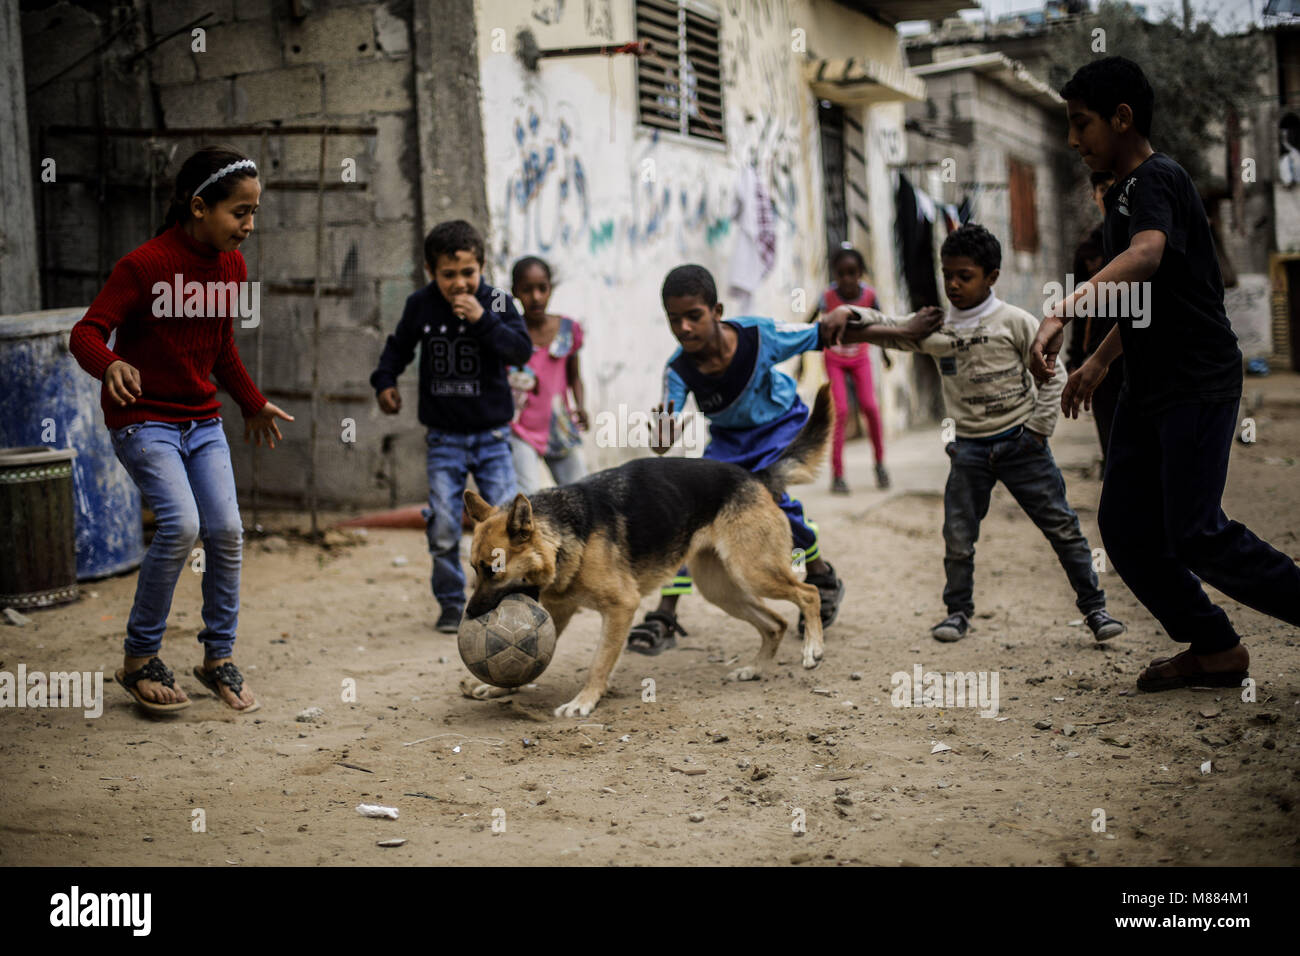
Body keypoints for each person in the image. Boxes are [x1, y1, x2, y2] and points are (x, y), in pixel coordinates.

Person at [1032, 56, 1300, 691]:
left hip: (1197, 380)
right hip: (1148, 389)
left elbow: (1147, 258)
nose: (1073, 140)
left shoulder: (1156, 178)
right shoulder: (1124, 197)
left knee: (1197, 533)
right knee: (1126, 530)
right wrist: (1098, 362)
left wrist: (1065, 308)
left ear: (1122, 118)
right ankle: (1214, 648)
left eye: (1082, 124)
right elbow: (1150, 296)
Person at [69, 145, 293, 714]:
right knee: (181, 525)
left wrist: (252, 402)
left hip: (202, 422)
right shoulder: (143, 266)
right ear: (199, 206)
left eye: (254, 213)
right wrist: (111, 363)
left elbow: (219, 347)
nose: (248, 224)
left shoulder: (232, 268)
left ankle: (217, 657)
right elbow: (87, 333)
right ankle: (140, 658)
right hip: (144, 420)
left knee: (226, 529)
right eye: (239, 212)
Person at [625, 264, 941, 656]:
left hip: (779, 427)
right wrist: (661, 437)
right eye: (675, 320)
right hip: (729, 442)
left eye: (694, 316)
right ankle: (665, 615)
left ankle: (820, 575)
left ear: (717, 311)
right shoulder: (678, 368)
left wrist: (902, 331)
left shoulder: (758, 336)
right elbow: (664, 435)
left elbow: (828, 333)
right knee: (692, 513)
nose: (685, 328)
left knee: (772, 502)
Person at [832, 224, 1126, 644]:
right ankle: (957, 612)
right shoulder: (936, 328)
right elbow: (893, 330)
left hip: (1022, 444)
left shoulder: (1016, 322)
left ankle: (1095, 609)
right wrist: (849, 314)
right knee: (958, 535)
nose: (952, 284)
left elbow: (1053, 373)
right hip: (969, 450)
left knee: (1062, 526)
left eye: (964, 276)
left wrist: (1037, 431)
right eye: (946, 274)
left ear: (991, 277)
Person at [370, 220, 532, 634]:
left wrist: (482, 320)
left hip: (494, 437)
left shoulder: (496, 303)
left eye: (468, 273)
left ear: (481, 266)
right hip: (444, 439)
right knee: (443, 521)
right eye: (448, 275)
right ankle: (449, 601)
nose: (459, 283)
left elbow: (520, 350)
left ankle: (509, 596)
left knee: (507, 523)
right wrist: (385, 381)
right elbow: (398, 347)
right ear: (430, 271)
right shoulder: (421, 305)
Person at [807, 246, 889, 493]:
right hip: (834, 358)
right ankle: (838, 475)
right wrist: (801, 357)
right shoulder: (828, 297)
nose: (847, 279)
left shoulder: (870, 297)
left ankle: (880, 464)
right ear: (835, 274)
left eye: (852, 273)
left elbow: (884, 323)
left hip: (860, 357)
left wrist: (885, 353)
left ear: (861, 273)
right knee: (840, 411)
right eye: (841, 274)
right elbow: (808, 324)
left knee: (871, 407)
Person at [507, 256, 589, 495]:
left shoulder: (567, 330)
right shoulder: (509, 334)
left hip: (559, 426)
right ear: (515, 292)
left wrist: (581, 406)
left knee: (581, 493)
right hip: (519, 429)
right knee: (528, 496)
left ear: (550, 288)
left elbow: (575, 376)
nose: (536, 297)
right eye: (527, 290)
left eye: (542, 288)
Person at [1065, 170, 1122, 467]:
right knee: (1111, 439)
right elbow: (1080, 308)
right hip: (1101, 358)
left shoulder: (1144, 242)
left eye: (1115, 188)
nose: (1109, 196)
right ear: (1094, 195)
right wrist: (1076, 358)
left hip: (1143, 354)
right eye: (1103, 189)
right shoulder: (1089, 250)